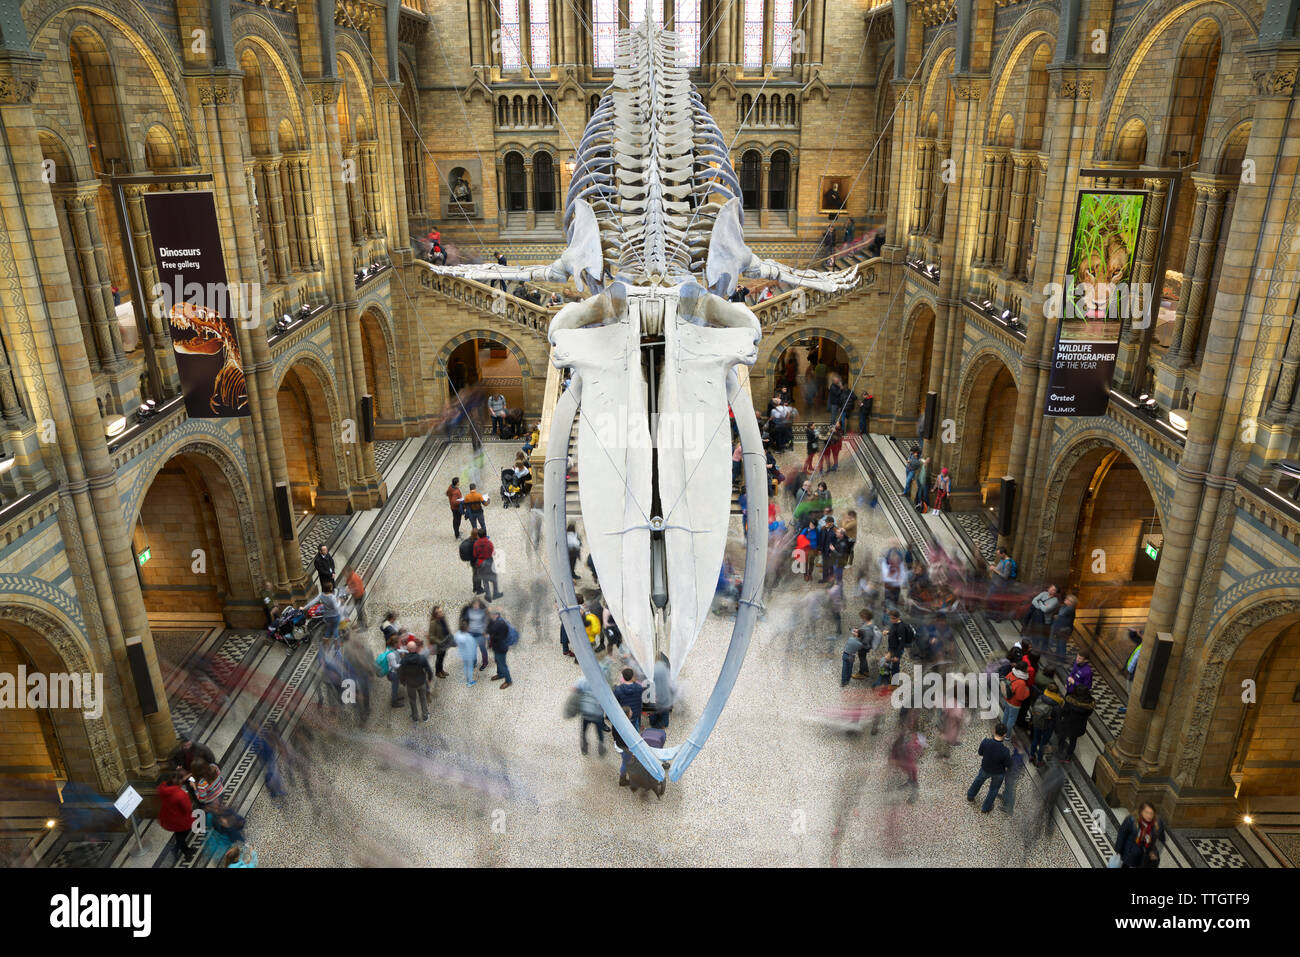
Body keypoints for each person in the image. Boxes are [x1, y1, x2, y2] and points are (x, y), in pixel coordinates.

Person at [966, 722, 1012, 813]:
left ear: (994, 731)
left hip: (985, 768)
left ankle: (970, 795)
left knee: (978, 781)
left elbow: (980, 753)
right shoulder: (1005, 751)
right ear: (1004, 734)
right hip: (998, 773)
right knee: (994, 789)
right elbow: (1008, 765)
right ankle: (986, 808)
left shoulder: (986, 742)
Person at [157, 769, 195, 864]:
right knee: (182, 836)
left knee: (179, 835)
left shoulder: (163, 789)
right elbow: (187, 808)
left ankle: (179, 848)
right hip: (180, 820)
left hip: (170, 816)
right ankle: (186, 852)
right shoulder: (180, 794)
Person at [1114, 802, 1166, 868]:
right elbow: (1122, 835)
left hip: (1145, 854)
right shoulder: (1131, 820)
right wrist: (1118, 850)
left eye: (1151, 813)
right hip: (1130, 852)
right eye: (1146, 813)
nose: (1149, 816)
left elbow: (1162, 839)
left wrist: (1154, 852)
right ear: (1141, 811)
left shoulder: (1157, 823)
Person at [1028, 672, 1064, 766]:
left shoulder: (1041, 697)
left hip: (1037, 722)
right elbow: (1057, 720)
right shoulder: (1056, 704)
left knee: (1035, 740)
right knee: (1043, 743)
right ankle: (1040, 761)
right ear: (1056, 693)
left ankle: (1031, 756)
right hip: (1048, 726)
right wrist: (1058, 731)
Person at [1056, 685, 1095, 762]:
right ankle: (1068, 756)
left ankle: (1060, 750)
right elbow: (1088, 714)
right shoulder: (1089, 705)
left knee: (1062, 737)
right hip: (1079, 726)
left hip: (1067, 724)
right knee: (1073, 740)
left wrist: (1060, 717)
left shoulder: (1070, 701)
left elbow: (1064, 711)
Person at [398, 638, 433, 722]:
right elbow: (429, 670)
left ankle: (415, 717)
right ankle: (425, 716)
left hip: (410, 684)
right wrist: (430, 678)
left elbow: (400, 673)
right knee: (423, 699)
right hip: (421, 682)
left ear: (407, 649)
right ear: (415, 648)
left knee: (412, 700)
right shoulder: (421, 658)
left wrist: (403, 682)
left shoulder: (403, 661)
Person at [575, 676, 606, 756]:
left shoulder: (582, 680)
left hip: (586, 712)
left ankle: (584, 746)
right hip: (597, 713)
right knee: (599, 731)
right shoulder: (601, 682)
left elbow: (576, 692)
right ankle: (601, 747)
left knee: (584, 730)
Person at [460, 596, 490, 673]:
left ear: (479, 604)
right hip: (471, 633)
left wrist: (485, 631)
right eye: (474, 604)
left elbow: (486, 622)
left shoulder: (483, 612)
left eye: (477, 604)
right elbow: (465, 620)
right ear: (472, 604)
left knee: (483, 649)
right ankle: (474, 663)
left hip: (480, 634)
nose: (476, 606)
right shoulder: (469, 611)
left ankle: (485, 663)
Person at [486, 606, 514, 689]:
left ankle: (508, 681)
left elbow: (501, 638)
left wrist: (489, 636)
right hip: (496, 646)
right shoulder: (493, 621)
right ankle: (500, 674)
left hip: (501, 648)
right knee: (497, 661)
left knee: (502, 664)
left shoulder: (501, 624)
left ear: (495, 614)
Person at [1000, 659, 1031, 731]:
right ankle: (1007, 735)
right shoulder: (1021, 682)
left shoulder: (1011, 673)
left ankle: (1002, 729)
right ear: (1023, 669)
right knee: (1011, 719)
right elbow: (1020, 697)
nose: (1028, 669)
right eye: (1027, 668)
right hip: (1014, 704)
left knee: (1006, 714)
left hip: (1007, 698)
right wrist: (1027, 692)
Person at [473, 530, 502, 601]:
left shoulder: (476, 544)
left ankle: (488, 596)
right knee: (494, 578)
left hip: (481, 563)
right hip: (490, 562)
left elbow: (475, 554)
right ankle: (495, 593)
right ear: (485, 535)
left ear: (479, 536)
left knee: (485, 580)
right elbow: (493, 553)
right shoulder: (489, 543)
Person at [1050, 594, 1078, 663]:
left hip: (1065, 630)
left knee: (1061, 644)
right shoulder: (1066, 606)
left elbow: (1061, 613)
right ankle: (1057, 656)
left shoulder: (1070, 608)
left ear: (1071, 602)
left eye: (1068, 599)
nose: (1065, 599)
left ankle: (1061, 659)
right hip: (1062, 628)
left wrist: (1058, 616)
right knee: (1059, 643)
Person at [428, 605, 451, 678]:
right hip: (439, 645)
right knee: (439, 659)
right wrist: (440, 642)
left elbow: (446, 628)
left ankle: (441, 670)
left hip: (444, 642)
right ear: (436, 614)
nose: (442, 613)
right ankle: (438, 672)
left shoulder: (443, 618)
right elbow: (431, 636)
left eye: (442, 611)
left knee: (442, 657)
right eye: (440, 612)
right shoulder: (433, 623)